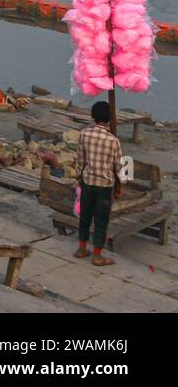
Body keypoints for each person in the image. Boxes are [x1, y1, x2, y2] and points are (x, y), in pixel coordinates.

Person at [74, 101, 123, 267]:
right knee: (101, 220)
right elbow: (118, 166)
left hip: (88, 182)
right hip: (104, 186)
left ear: (92, 116)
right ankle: (97, 256)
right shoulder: (113, 140)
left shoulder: (84, 134)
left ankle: (81, 249)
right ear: (109, 119)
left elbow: (80, 160)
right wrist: (120, 186)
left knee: (85, 216)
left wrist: (78, 177)